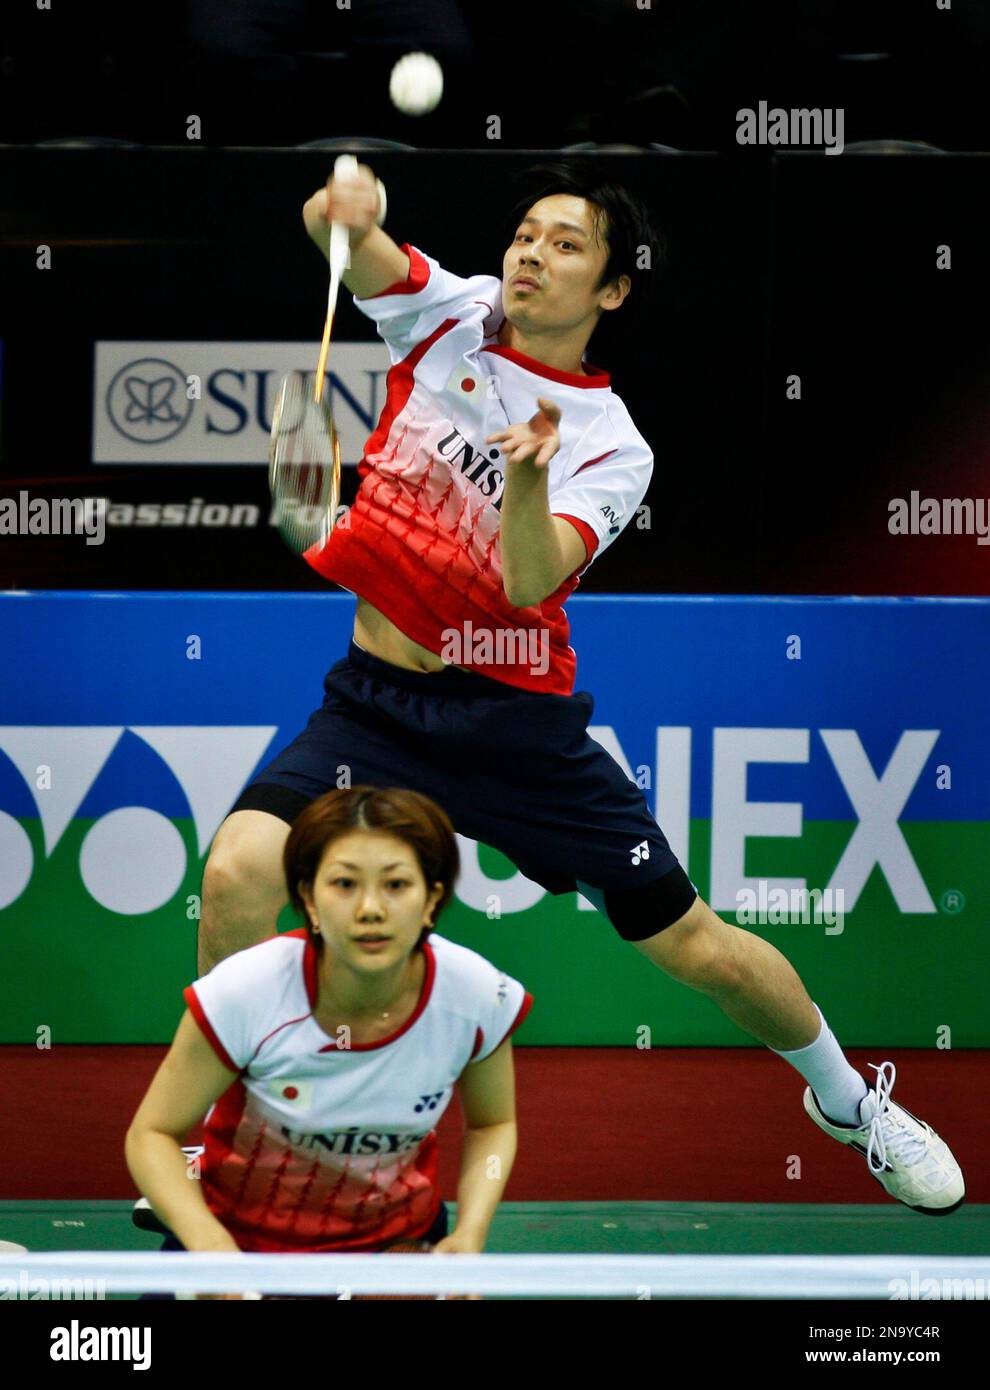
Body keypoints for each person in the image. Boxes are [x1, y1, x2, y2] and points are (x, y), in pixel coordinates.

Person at [198, 159, 963, 1216]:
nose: (531, 253)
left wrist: (523, 474)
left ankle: (849, 1102)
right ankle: (232, 1136)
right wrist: (344, 211)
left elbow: (525, 580)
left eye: (567, 244)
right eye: (525, 232)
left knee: (691, 939)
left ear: (611, 290)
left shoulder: (614, 444)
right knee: (238, 868)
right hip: (374, 701)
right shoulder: (451, 316)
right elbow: (346, 241)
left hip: (514, 722)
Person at [126, 786, 531, 1298]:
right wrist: (210, 1247)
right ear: (310, 901)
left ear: (431, 899)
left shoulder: (476, 995)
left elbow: (493, 1123)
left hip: (391, 1249)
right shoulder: (246, 990)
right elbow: (153, 1134)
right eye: (344, 883)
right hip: (238, 1244)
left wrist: (469, 1237)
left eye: (396, 885)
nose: (370, 909)